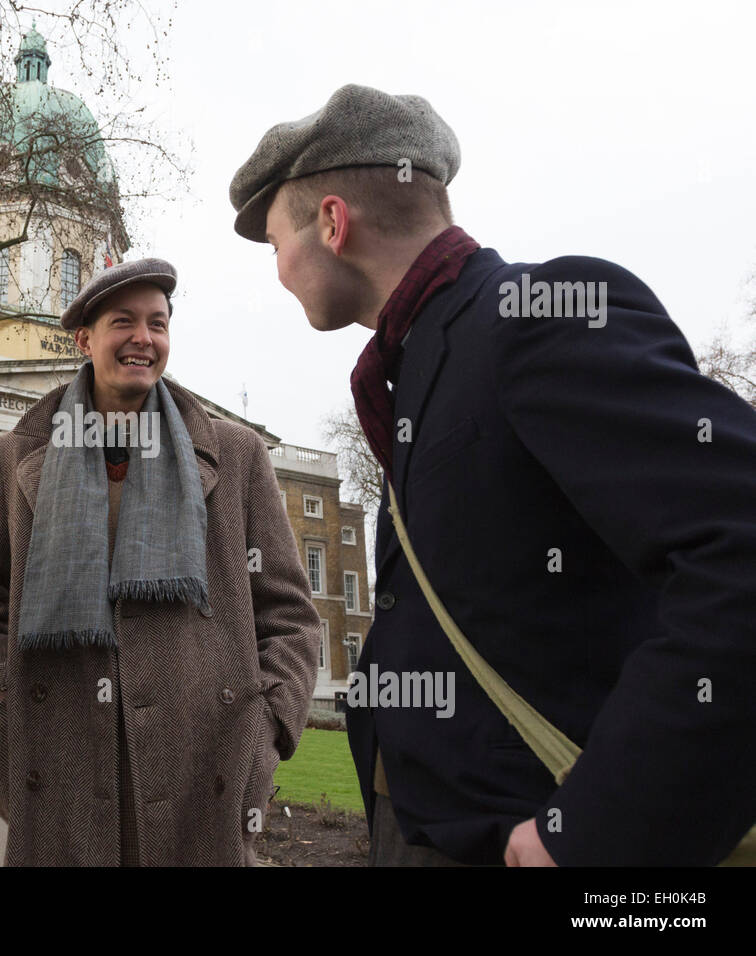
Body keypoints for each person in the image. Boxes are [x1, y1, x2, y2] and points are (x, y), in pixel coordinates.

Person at [229, 84, 756, 866]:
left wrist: (597, 831)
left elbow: (740, 555)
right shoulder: (413, 374)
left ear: (333, 222)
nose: (277, 272)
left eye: (276, 243)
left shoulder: (540, 316)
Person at [0, 258, 321, 866]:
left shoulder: (239, 455)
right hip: (60, 763)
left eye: (158, 323)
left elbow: (292, 619)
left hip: (203, 768)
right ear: (84, 340)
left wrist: (265, 734)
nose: (144, 337)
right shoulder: (14, 456)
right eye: (124, 321)